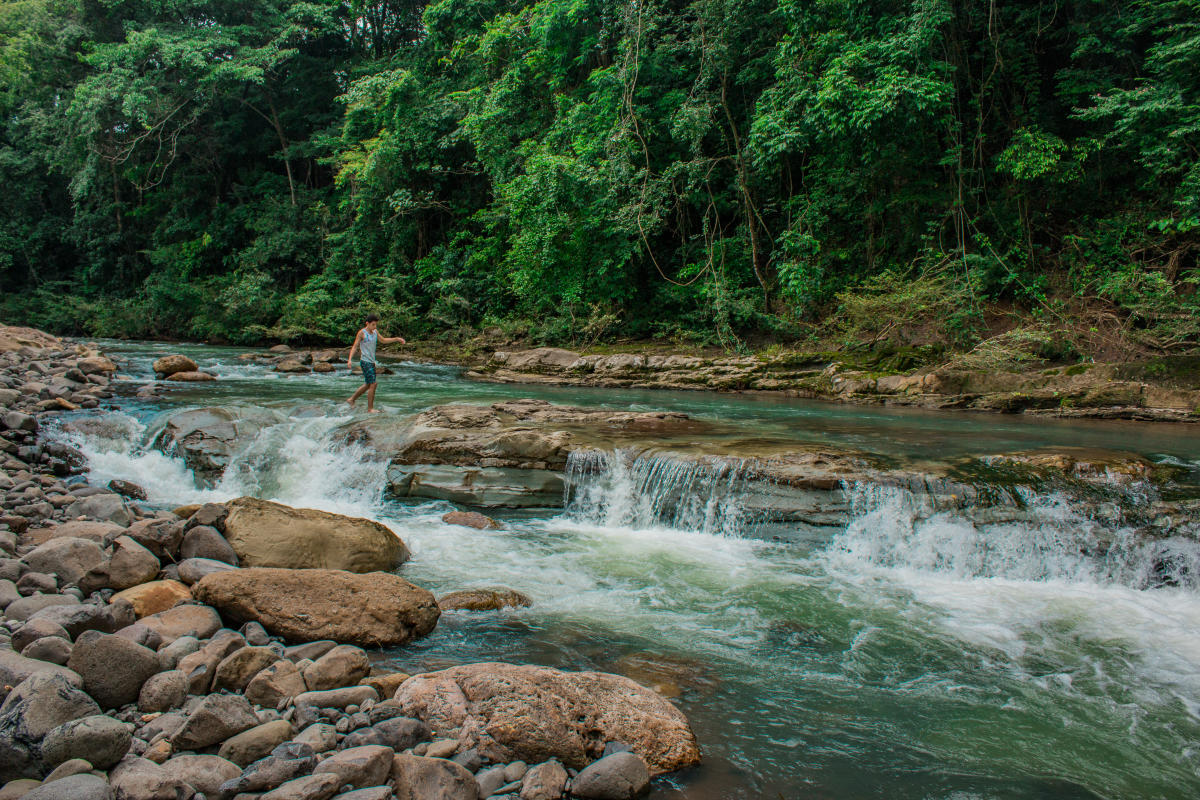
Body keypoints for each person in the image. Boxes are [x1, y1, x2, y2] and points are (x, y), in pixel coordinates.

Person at [346, 313, 406, 412]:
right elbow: (355, 346)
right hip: (365, 361)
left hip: (371, 361)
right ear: (367, 323)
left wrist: (396, 339)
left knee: (368, 384)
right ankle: (370, 409)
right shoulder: (362, 333)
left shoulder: (375, 332)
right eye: (373, 324)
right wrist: (349, 360)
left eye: (375, 325)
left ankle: (351, 399)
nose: (375, 327)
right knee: (373, 384)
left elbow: (383, 340)